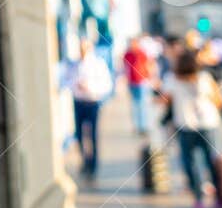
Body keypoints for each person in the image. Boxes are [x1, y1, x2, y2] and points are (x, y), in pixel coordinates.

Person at [159, 48, 222, 208]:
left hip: (185, 125)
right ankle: (219, 198)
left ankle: (198, 199)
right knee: (211, 160)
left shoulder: (171, 79)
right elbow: (219, 101)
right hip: (208, 123)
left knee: (190, 162)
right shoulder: (204, 78)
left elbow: (165, 100)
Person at [65, 39, 113, 181]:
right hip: (79, 102)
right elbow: (67, 81)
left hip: (92, 102)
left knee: (92, 135)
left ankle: (93, 166)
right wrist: (76, 85)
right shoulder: (74, 65)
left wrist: (90, 87)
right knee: (79, 134)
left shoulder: (98, 64)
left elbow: (106, 85)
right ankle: (84, 161)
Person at [122, 37, 158, 135]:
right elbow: (125, 67)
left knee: (142, 104)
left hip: (141, 81)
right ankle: (137, 125)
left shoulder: (142, 53)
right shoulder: (127, 54)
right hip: (132, 82)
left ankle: (143, 126)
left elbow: (149, 65)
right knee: (135, 104)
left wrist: (150, 76)